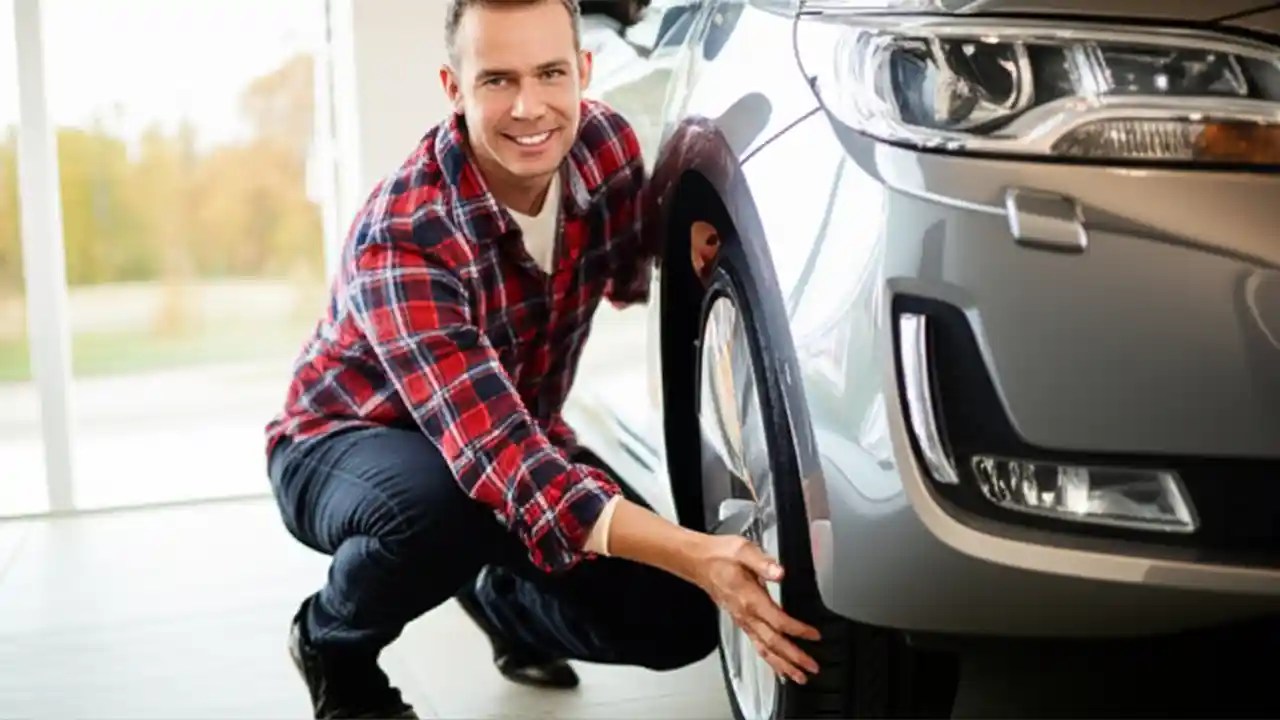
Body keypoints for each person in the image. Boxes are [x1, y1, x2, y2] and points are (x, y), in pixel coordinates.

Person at [263, 1, 821, 717]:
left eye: (550, 73)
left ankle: (494, 595)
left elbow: (624, 267)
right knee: (442, 510)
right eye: (497, 80)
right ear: (453, 88)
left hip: (503, 442)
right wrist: (694, 550)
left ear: (582, 71)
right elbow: (502, 458)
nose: (529, 108)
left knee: (680, 619)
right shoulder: (404, 235)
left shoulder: (603, 147)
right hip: (343, 443)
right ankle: (333, 644)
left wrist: (683, 245)